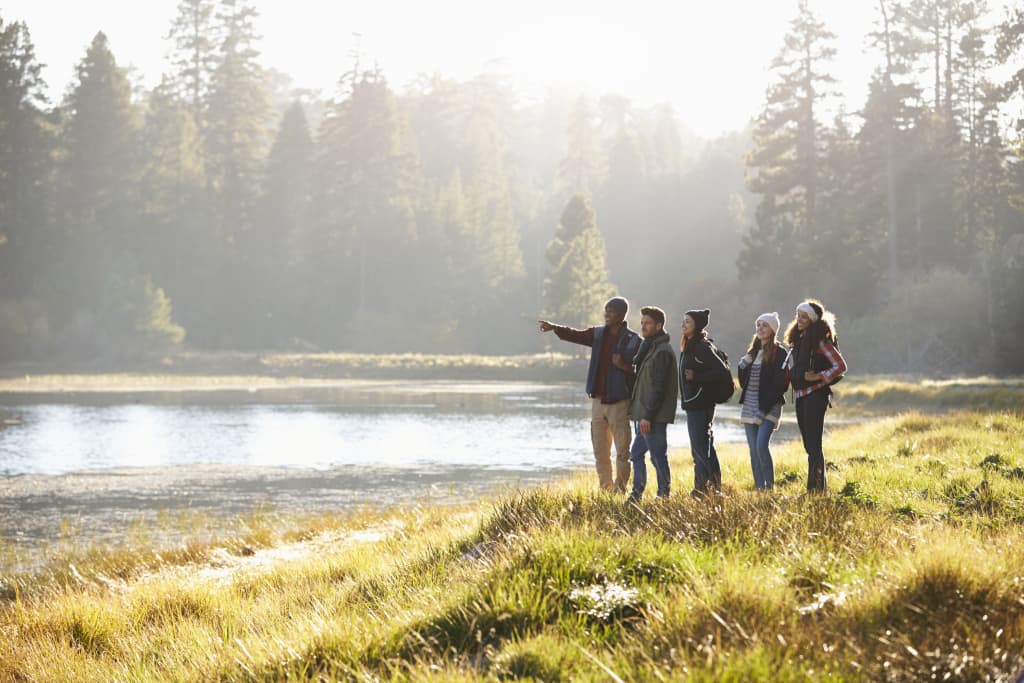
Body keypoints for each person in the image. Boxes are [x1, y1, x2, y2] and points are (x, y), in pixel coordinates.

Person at [539, 297, 641, 492]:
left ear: (620, 315)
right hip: (597, 403)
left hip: (620, 403)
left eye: (610, 311)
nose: (606, 314)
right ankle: (606, 490)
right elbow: (576, 335)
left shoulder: (633, 341)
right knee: (600, 452)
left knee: (622, 453)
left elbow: (641, 371)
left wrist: (624, 366)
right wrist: (555, 327)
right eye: (605, 310)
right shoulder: (598, 334)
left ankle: (620, 491)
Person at [785, 299, 848, 493]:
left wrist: (819, 376)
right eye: (798, 316)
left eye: (804, 317)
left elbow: (840, 366)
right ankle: (817, 488)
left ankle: (816, 490)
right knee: (809, 445)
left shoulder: (821, 342)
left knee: (814, 445)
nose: (800, 319)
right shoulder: (799, 340)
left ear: (813, 320)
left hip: (815, 397)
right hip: (801, 396)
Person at [626, 306, 678, 502]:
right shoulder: (649, 347)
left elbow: (659, 388)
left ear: (659, 325)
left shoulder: (662, 351)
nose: (643, 326)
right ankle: (636, 494)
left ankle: (663, 496)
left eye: (647, 323)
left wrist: (648, 416)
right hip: (643, 415)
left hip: (652, 417)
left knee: (657, 457)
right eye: (642, 323)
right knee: (636, 454)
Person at [678, 308, 731, 498]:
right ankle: (714, 487)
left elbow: (722, 371)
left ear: (697, 326)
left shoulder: (701, 346)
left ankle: (700, 489)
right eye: (683, 321)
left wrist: (697, 377)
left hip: (700, 405)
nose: (683, 324)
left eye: (688, 322)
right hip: (695, 404)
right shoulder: (690, 345)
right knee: (706, 446)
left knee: (699, 449)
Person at [737, 312, 790, 490]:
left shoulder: (780, 353)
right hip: (750, 406)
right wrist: (742, 366)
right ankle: (759, 489)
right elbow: (744, 383)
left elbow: (779, 385)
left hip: (770, 407)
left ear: (773, 330)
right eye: (758, 325)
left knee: (761, 446)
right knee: (753, 451)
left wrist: (763, 410)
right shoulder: (753, 352)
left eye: (764, 325)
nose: (760, 328)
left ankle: (769, 487)